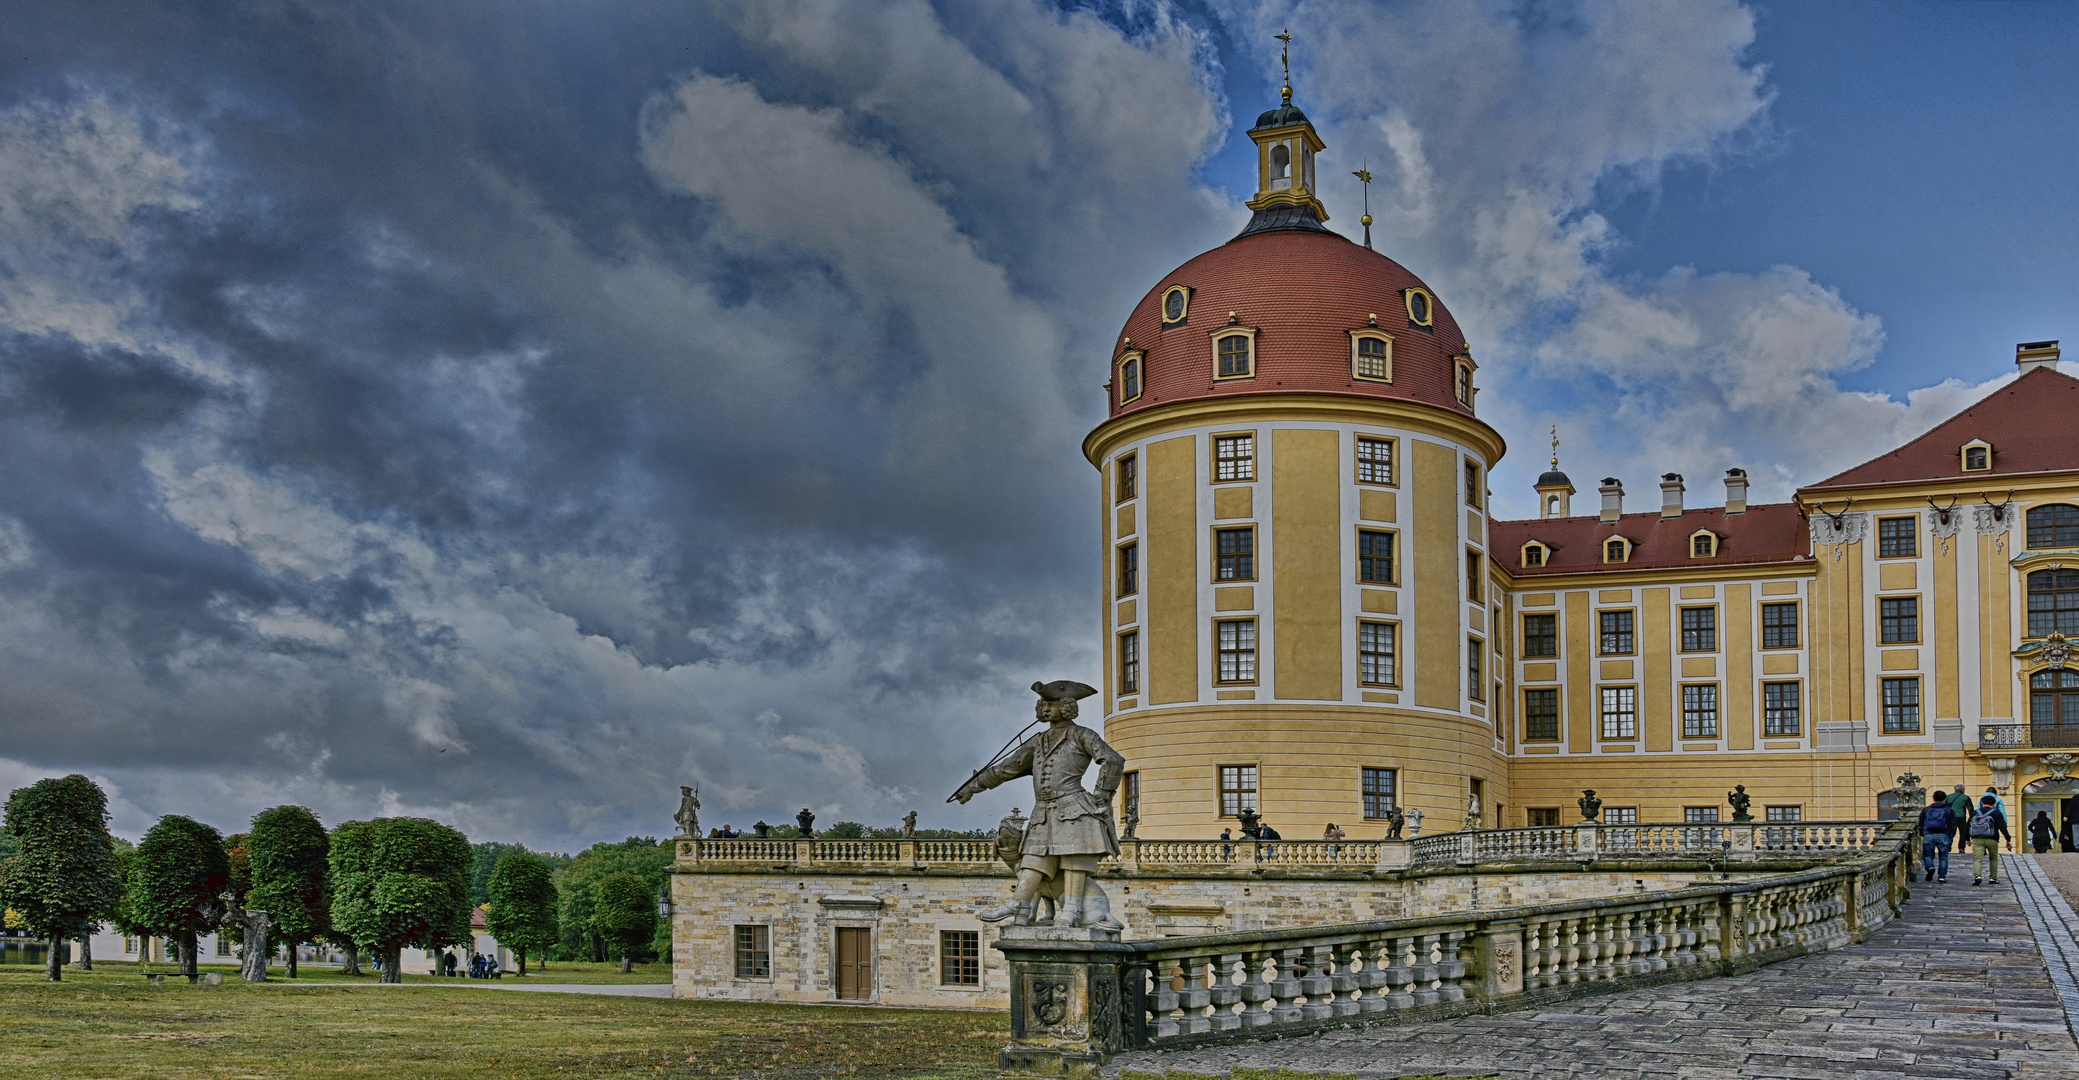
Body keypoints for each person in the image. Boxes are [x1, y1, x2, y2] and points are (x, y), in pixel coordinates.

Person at [952, 680, 1125, 929]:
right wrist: (972, 786)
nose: (1045, 708)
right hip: (1043, 811)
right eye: (1043, 704)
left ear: (1066, 707)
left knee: (1074, 862)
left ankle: (1071, 912)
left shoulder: (1082, 735)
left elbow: (1113, 760)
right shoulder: (1038, 740)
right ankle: (1018, 903)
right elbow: (1007, 767)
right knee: (1032, 859)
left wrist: (1102, 795)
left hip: (1074, 808)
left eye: (1051, 704)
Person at [1967, 794, 2010, 886]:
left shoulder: (1975, 812)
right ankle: (1992, 878)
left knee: (1978, 859)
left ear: (1982, 803)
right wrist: (2008, 839)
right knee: (1993, 858)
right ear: (1994, 804)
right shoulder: (1996, 813)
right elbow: (2003, 827)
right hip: (1992, 839)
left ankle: (1977, 876)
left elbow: (1968, 825)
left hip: (1977, 839)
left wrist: (1967, 838)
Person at [1916, 790, 1954, 883]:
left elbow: (1920, 823)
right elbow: (1953, 824)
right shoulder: (1949, 810)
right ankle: (1941, 876)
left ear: (1933, 799)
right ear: (1945, 799)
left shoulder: (1926, 809)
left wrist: (1922, 833)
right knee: (1943, 857)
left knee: (1928, 855)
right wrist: (1951, 835)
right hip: (1943, 835)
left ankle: (1930, 867)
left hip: (1929, 834)